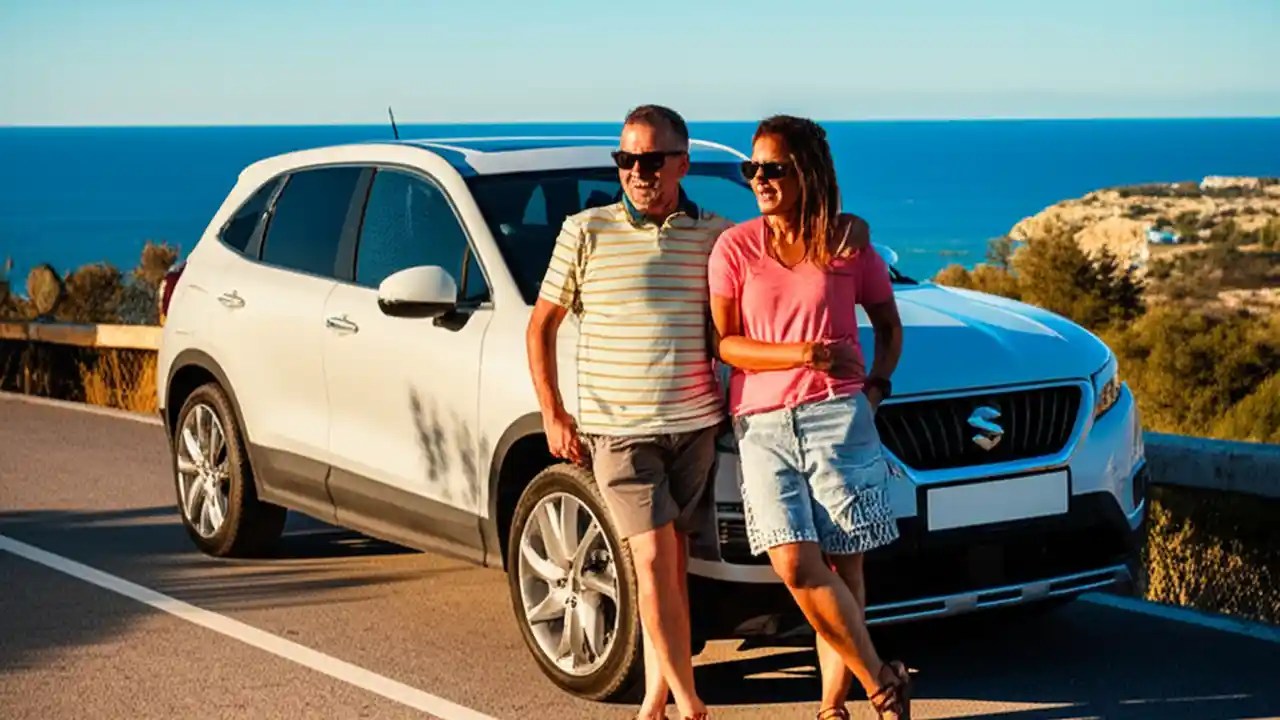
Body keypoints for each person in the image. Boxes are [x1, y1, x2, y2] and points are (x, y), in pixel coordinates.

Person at [525, 104, 733, 720]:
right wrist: (552, 413)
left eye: (651, 159)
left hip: (696, 424)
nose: (637, 171)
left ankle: (655, 697)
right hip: (619, 429)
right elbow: (541, 327)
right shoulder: (584, 232)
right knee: (647, 558)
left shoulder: (716, 235)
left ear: (682, 162)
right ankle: (691, 701)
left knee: (673, 562)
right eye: (626, 160)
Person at [707, 115, 911, 719]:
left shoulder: (848, 243)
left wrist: (875, 387)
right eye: (753, 169)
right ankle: (882, 679)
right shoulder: (735, 248)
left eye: (774, 168)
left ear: (808, 172)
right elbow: (726, 344)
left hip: (837, 417)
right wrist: (802, 354)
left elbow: (889, 324)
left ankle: (830, 709)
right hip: (762, 424)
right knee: (795, 564)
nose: (760, 179)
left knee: (845, 572)